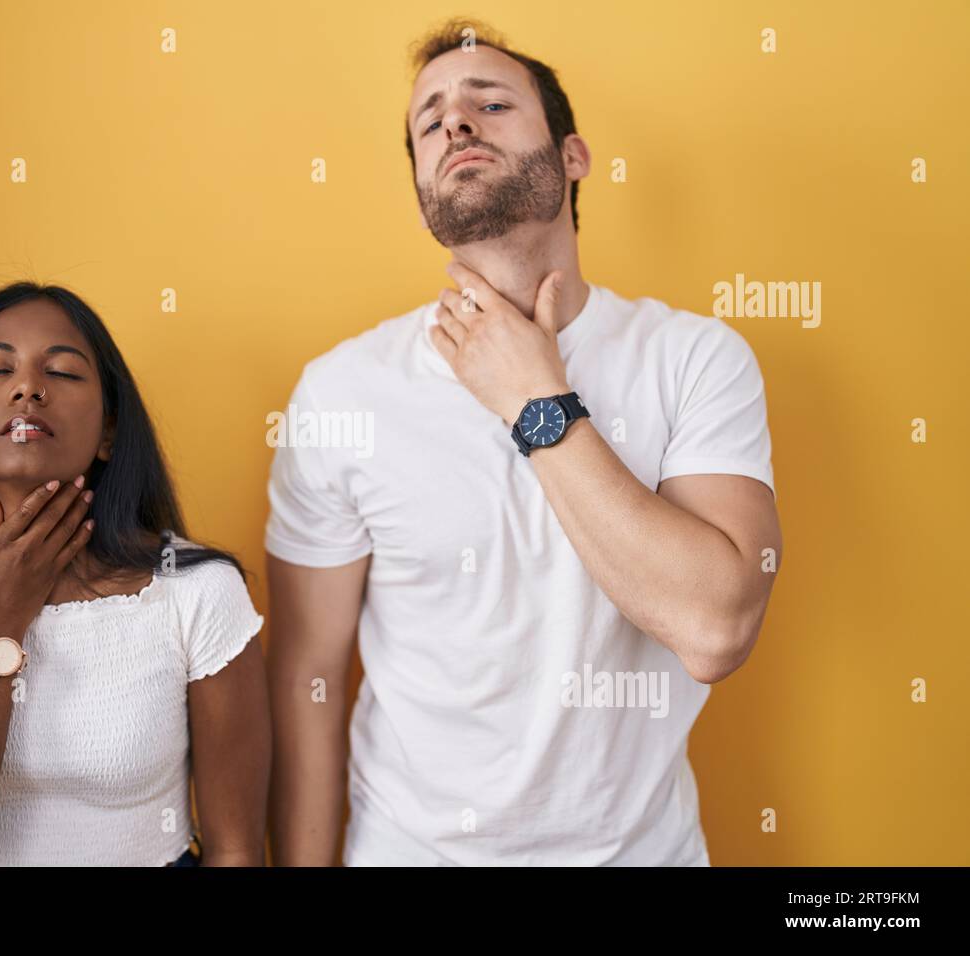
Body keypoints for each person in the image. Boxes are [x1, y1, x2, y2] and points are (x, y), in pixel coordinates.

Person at [265, 20, 782, 866]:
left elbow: (716, 628)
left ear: (573, 157)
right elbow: (304, 683)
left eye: (490, 104)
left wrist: (536, 401)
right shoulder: (341, 393)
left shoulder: (696, 359)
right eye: (429, 122)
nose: (455, 124)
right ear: (424, 190)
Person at [0, 282, 270, 866]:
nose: (27, 387)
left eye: (62, 373)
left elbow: (236, 850)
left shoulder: (198, 592)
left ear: (109, 433)